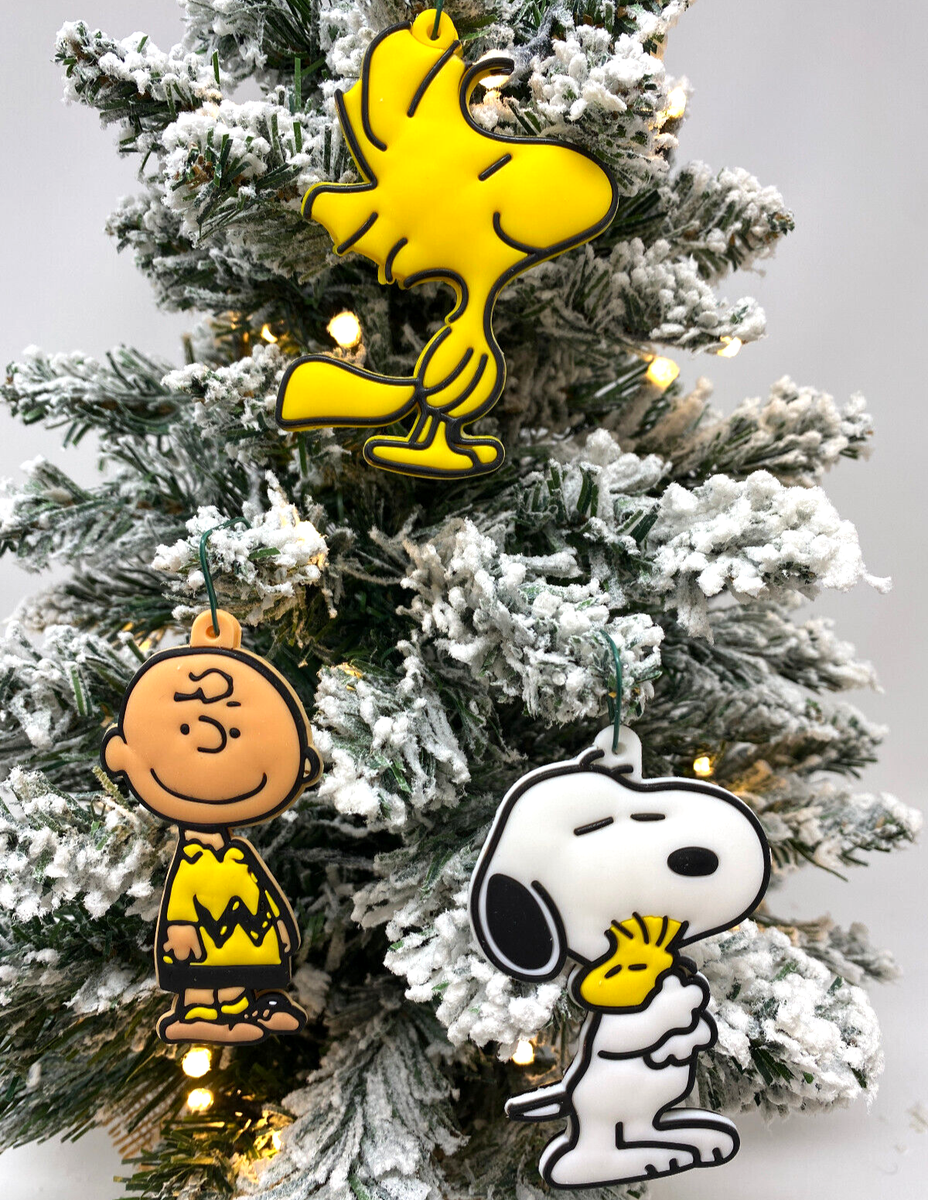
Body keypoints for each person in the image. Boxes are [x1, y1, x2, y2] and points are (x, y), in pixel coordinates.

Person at [102, 609, 322, 1043]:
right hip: (200, 934)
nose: (210, 739)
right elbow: (182, 895)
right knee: (204, 975)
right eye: (187, 727)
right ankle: (199, 1012)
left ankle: (241, 1010)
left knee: (236, 973)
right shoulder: (194, 858)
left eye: (231, 732)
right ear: (120, 754)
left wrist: (278, 923)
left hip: (245, 929)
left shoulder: (236, 855)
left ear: (303, 766)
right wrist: (181, 927)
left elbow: (260, 889)